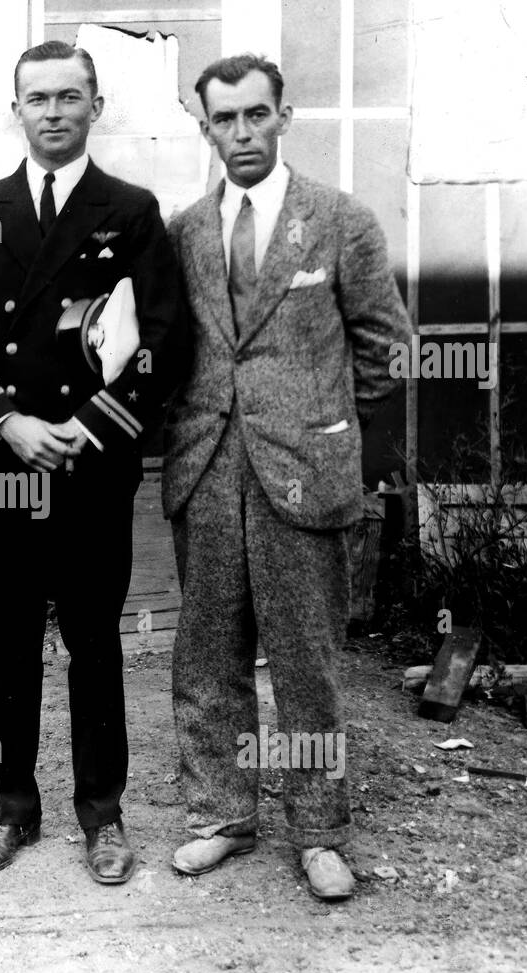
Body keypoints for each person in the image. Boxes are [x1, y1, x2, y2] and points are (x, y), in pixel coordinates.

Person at [0, 42, 183, 884]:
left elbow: (162, 341)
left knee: (94, 641)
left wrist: (87, 424)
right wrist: (6, 422)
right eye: (36, 98)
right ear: (16, 110)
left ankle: (102, 814)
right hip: (2, 467)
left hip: (88, 468)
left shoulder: (132, 210)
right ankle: (12, 806)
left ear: (96, 106)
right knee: (4, 643)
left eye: (69, 97)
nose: (52, 112)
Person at [164, 55, 411, 899]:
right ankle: (222, 813)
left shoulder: (340, 221)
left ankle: (318, 830)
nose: (241, 133)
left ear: (284, 116)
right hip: (207, 467)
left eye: (255, 116)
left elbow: (387, 348)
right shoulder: (185, 229)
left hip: (305, 473)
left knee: (306, 660)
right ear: (205, 126)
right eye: (223, 119)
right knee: (206, 656)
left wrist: (329, 426)